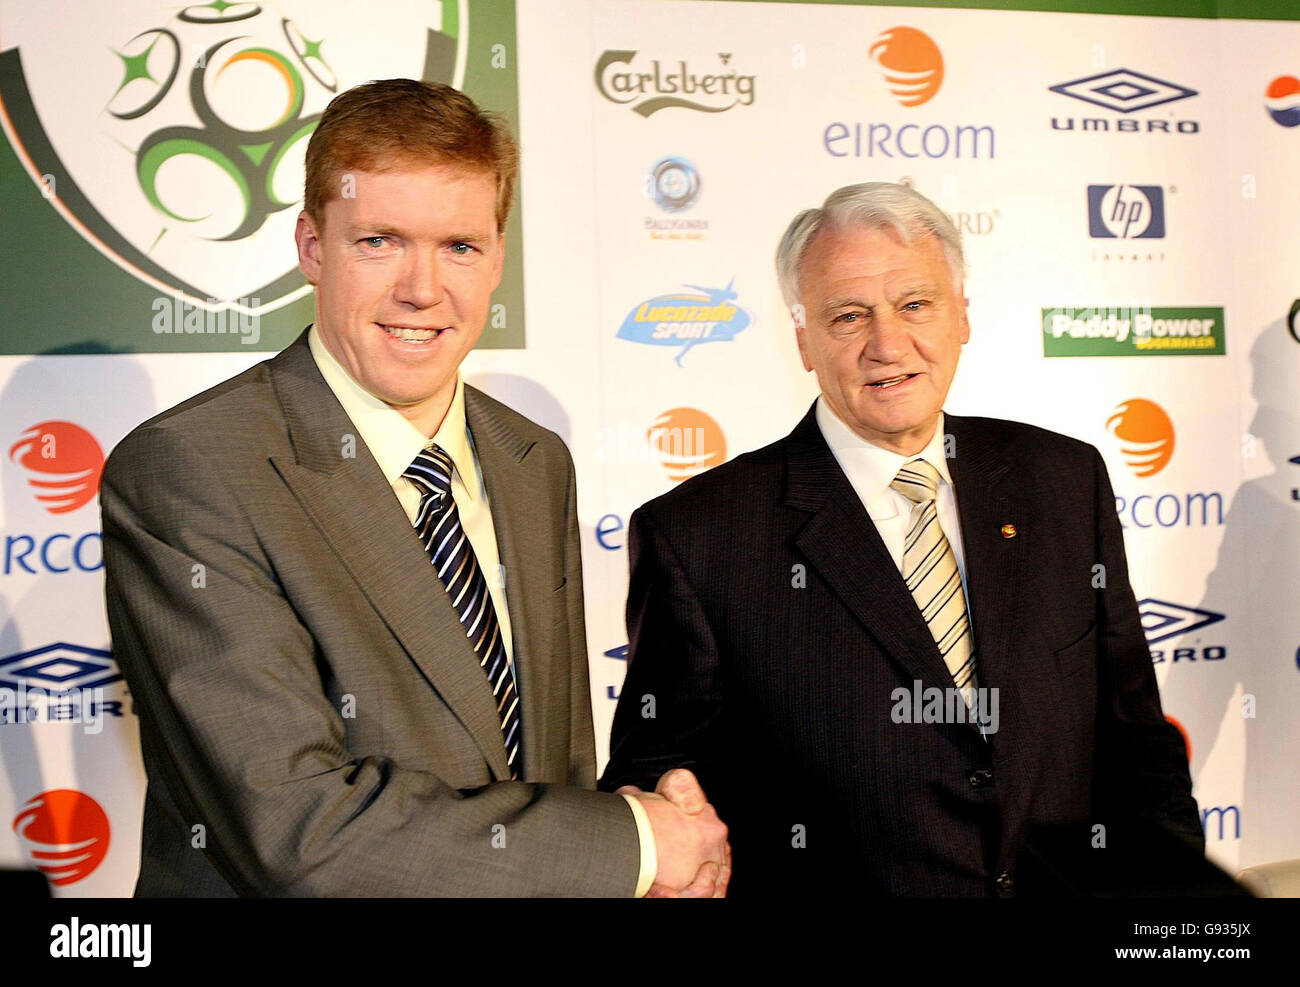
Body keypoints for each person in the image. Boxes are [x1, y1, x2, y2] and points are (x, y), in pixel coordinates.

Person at [101, 79, 727, 897]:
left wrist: (636, 836)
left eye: (460, 247)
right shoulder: (191, 469)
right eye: (380, 242)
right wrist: (636, 844)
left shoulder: (532, 458)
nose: (423, 290)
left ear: (498, 256)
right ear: (313, 247)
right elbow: (300, 830)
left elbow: (550, 772)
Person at [600, 181, 1202, 896]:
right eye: (849, 316)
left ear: (962, 316)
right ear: (803, 339)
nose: (887, 344)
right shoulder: (699, 536)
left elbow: (1136, 738)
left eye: (915, 304)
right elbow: (660, 785)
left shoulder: (1063, 480)